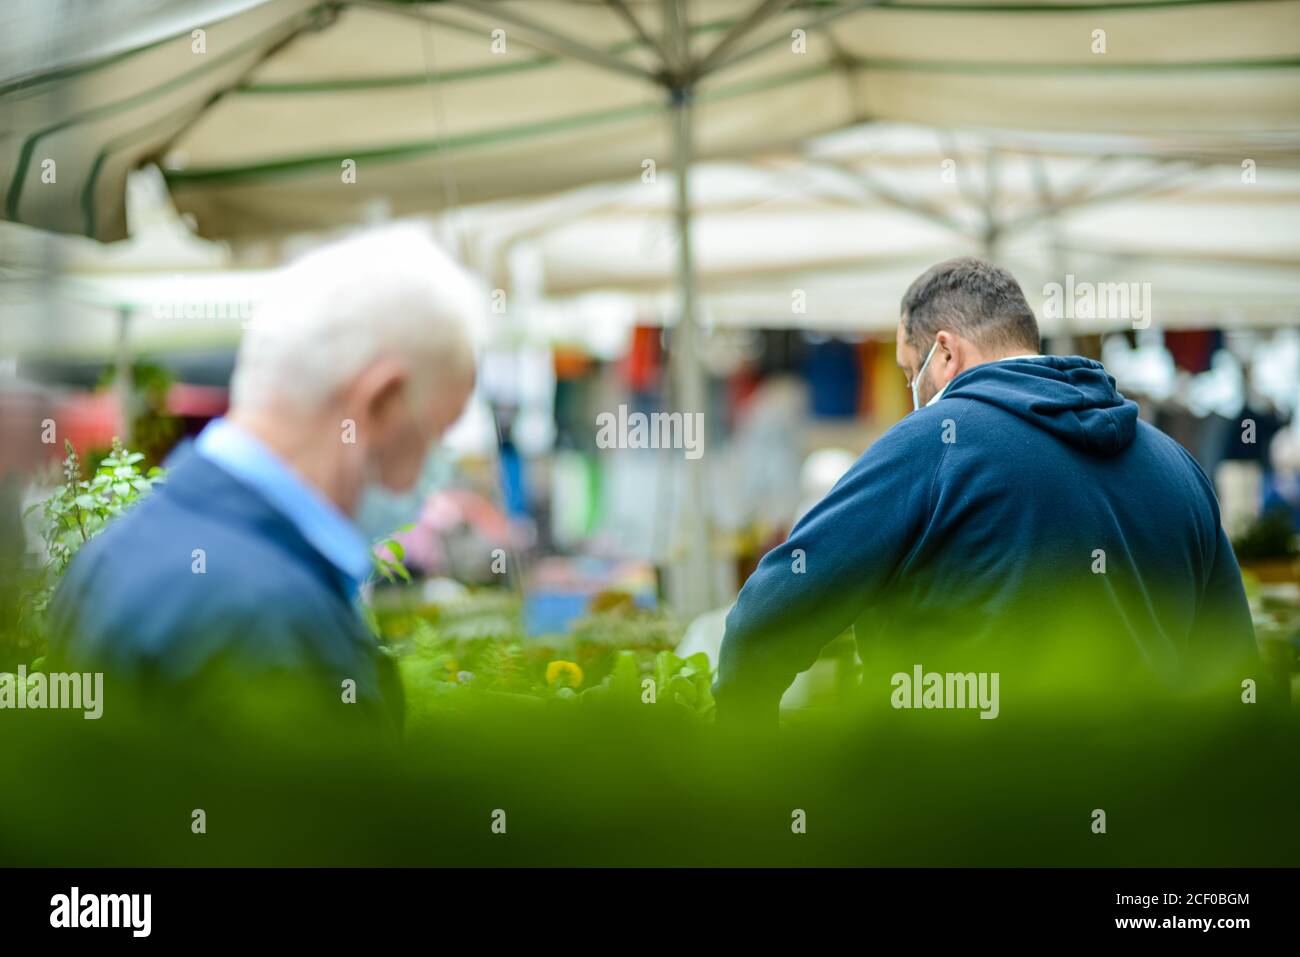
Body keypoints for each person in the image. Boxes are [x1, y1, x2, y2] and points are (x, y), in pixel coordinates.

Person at [715, 257, 1257, 720]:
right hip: (1147, 821)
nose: (912, 389)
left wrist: (747, 754)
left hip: (956, 818)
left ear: (945, 353)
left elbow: (767, 616)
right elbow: (1234, 673)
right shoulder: (1179, 467)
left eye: (910, 370)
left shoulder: (931, 444)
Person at [48, 228, 479, 732]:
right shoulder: (269, 623)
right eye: (435, 434)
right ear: (380, 402)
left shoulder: (113, 552)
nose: (437, 473)